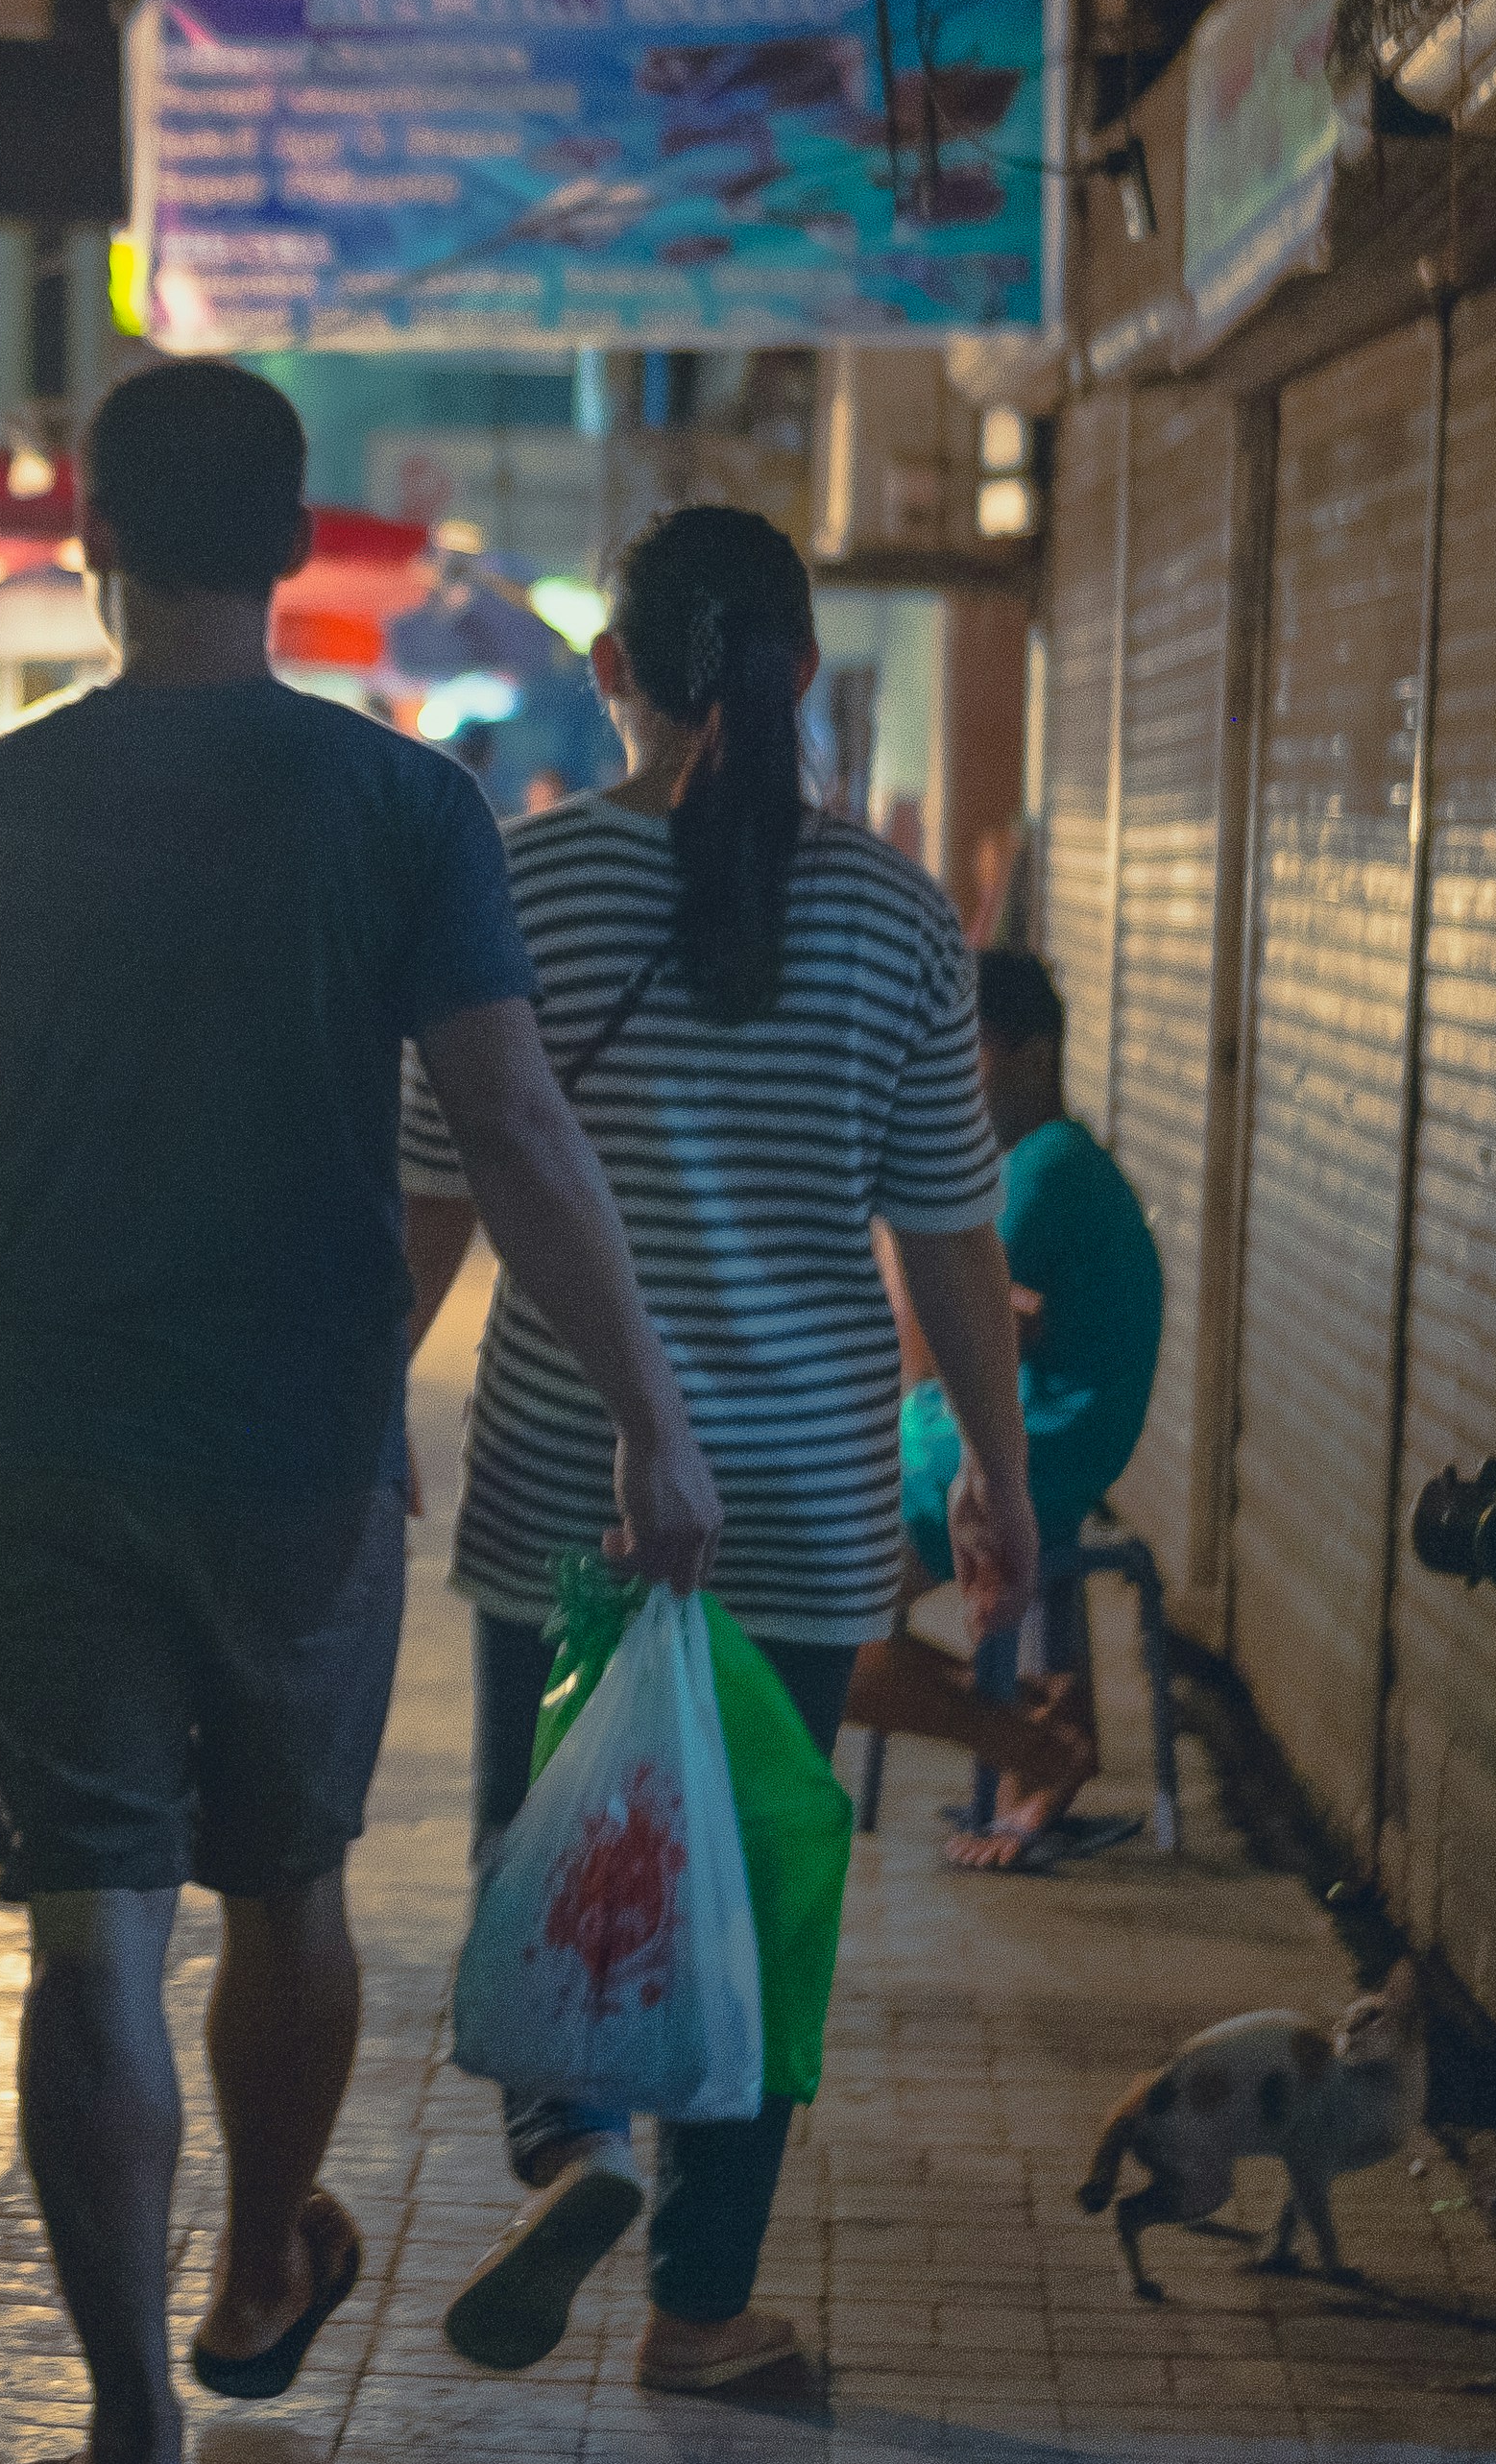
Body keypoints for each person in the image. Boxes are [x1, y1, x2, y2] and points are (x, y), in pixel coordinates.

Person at [0, 361, 713, 2464]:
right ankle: (254, 2256)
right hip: (301, 1446)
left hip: (56, 1443)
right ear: (299, 540)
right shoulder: (402, 807)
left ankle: (132, 2402)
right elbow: (510, 1122)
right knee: (290, 1884)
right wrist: (648, 1415)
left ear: (92, 547)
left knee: (92, 1934)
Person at [398, 504, 1044, 2400]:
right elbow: (950, 1235)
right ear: (796, 672)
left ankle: (570, 2145)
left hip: (562, 1467)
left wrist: (365, 1416)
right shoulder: (900, 917)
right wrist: (996, 1486)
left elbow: (438, 1195)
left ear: (610, 671)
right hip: (809, 1487)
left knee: (555, 1832)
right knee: (756, 1879)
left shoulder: (517, 887)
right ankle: (702, 2308)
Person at [849, 948, 1166, 1870]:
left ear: (1029, 1053)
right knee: (813, 1600)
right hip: (1023, 1431)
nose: (947, 1080)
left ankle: (1029, 1741)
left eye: (966, 1053)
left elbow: (932, 1347)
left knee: (822, 1633)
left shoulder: (1042, 1172)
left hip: (1026, 1445)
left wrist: (913, 1260)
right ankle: (1033, 1716)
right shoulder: (1042, 1163)